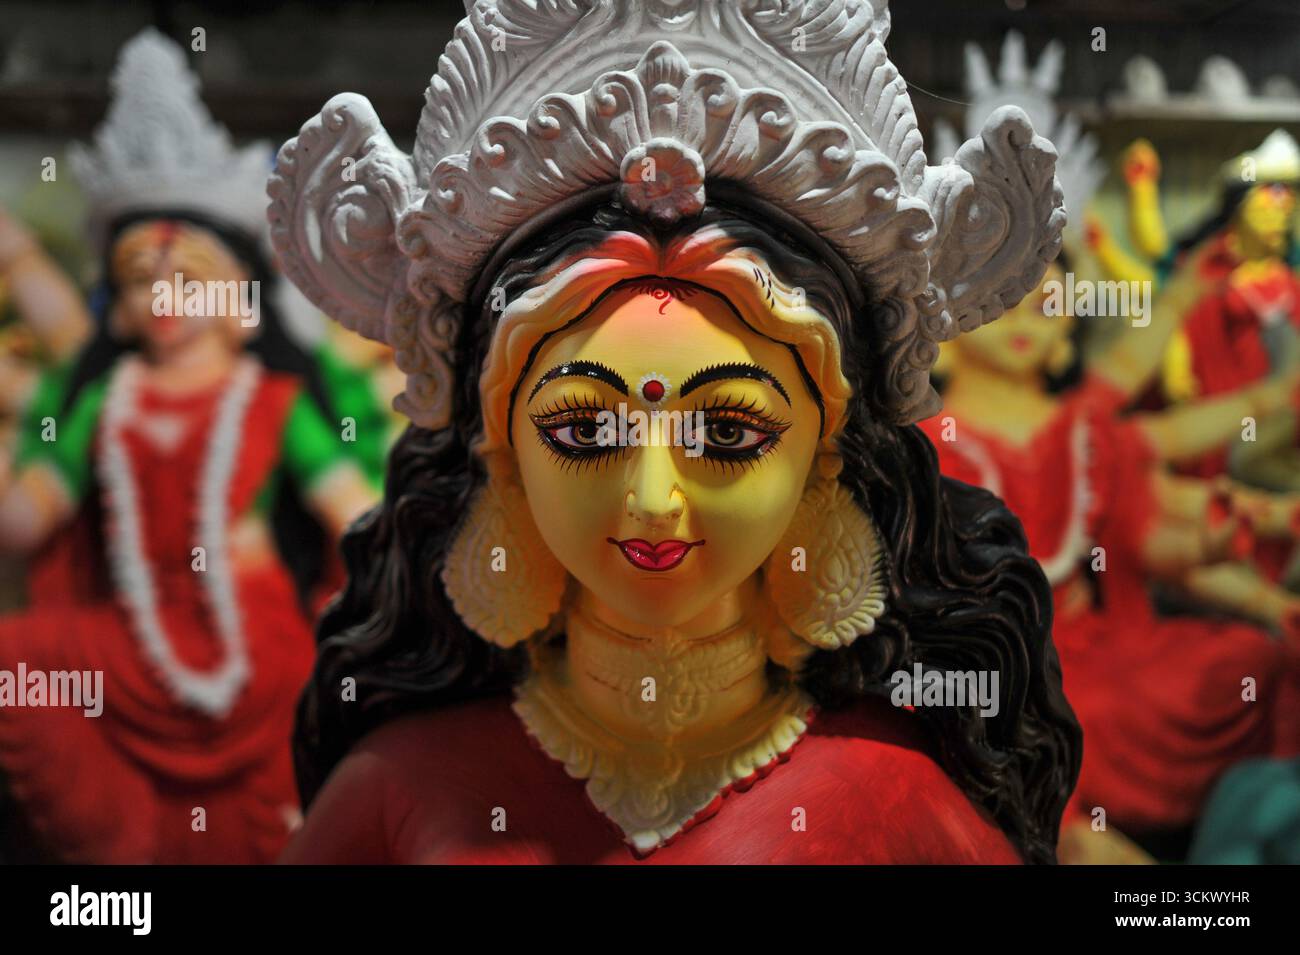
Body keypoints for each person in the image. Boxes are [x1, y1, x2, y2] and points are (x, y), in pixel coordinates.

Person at [270, 0, 1080, 864]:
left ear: (826, 458)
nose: (653, 500)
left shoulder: (900, 800)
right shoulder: (404, 785)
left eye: (729, 435)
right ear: (499, 454)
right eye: (583, 432)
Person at [0, 28, 375, 863]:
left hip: (259, 640)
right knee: (14, 664)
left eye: (187, 278)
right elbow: (26, 523)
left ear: (235, 293)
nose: (164, 297)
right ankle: (113, 850)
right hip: (129, 635)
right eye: (141, 281)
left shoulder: (274, 399)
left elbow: (354, 514)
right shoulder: (103, 399)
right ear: (120, 309)